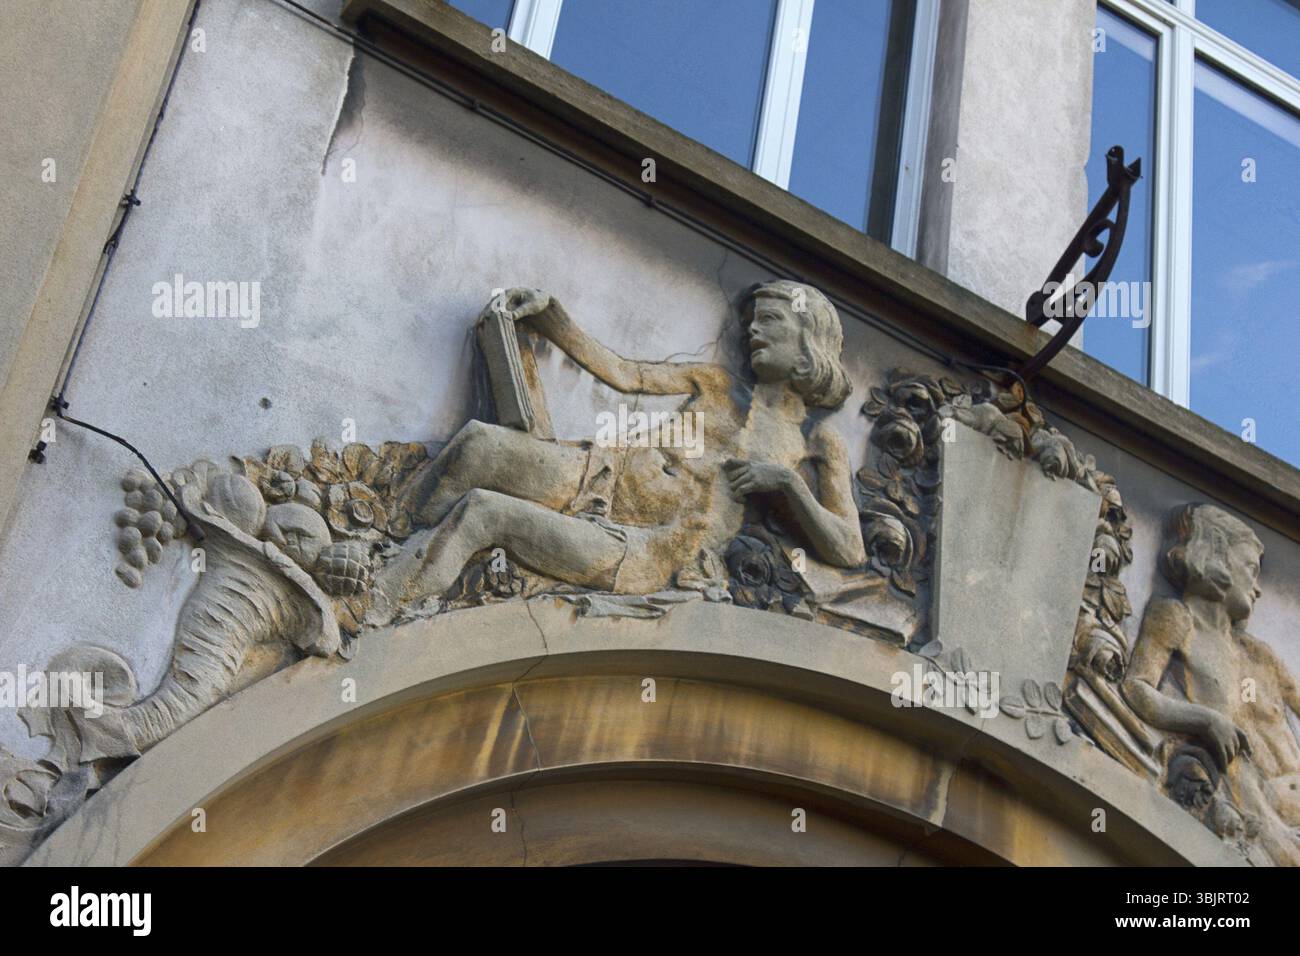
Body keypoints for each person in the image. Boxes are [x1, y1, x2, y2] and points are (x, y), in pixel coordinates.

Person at [385, 282, 866, 600]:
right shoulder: (716, 381)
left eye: (771, 321)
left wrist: (786, 482)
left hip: (652, 545)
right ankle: (380, 536)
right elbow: (627, 374)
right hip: (601, 477)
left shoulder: (817, 440)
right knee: (478, 446)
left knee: (483, 510)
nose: (754, 329)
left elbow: (849, 549)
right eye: (753, 321)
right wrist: (551, 316)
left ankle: (384, 600)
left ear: (808, 342)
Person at [1123, 504, 1300, 865]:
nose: (1258, 588)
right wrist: (1206, 720)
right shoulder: (1176, 619)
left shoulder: (1257, 652)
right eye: (1251, 569)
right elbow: (1137, 688)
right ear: (1215, 556)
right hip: (1252, 808)